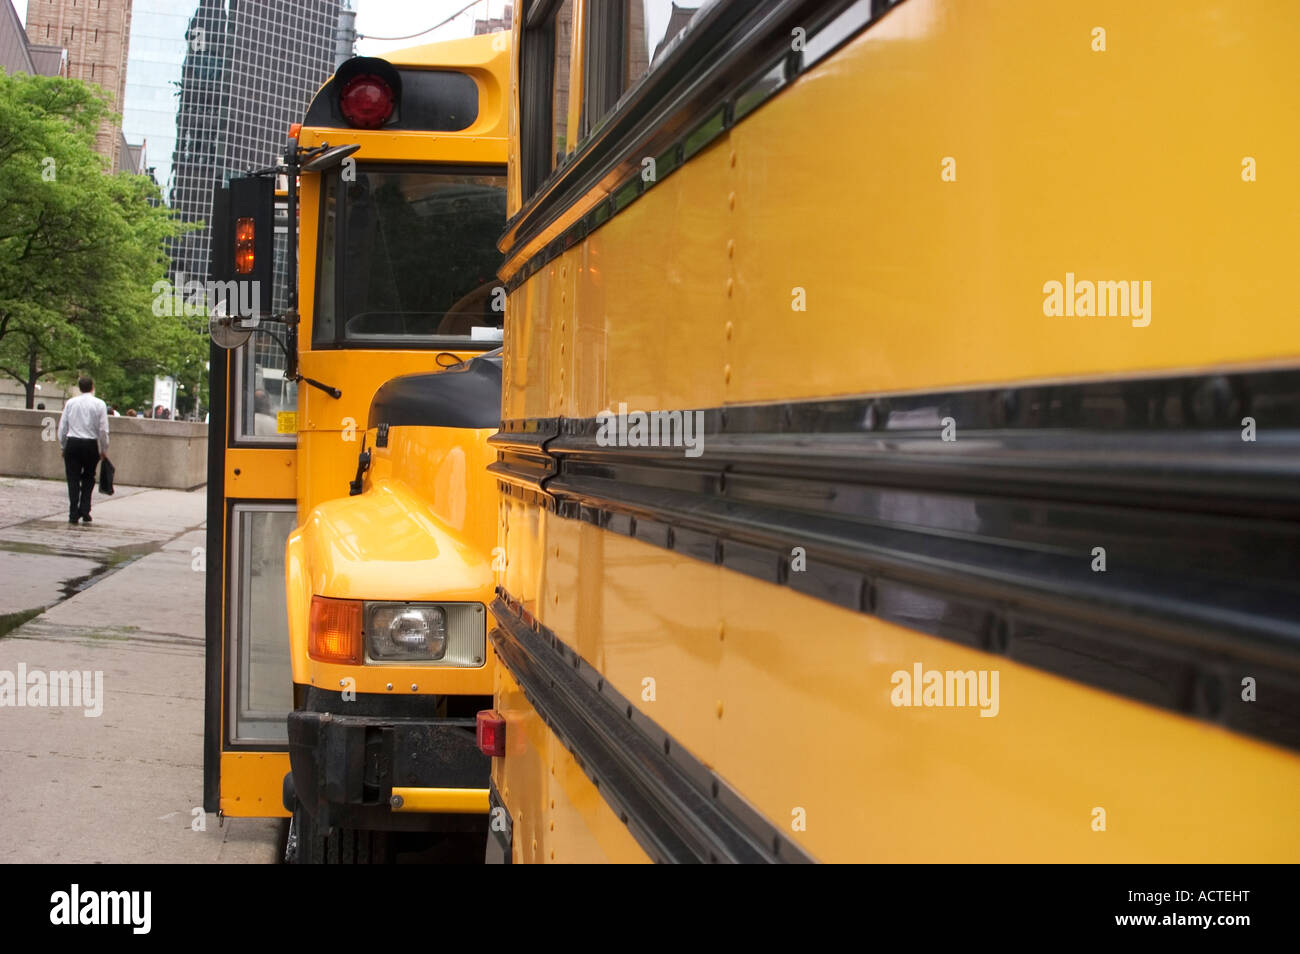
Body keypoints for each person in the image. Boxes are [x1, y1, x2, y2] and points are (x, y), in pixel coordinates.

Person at [57, 376, 109, 525]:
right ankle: (85, 509)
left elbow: (63, 427)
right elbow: (103, 429)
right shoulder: (100, 404)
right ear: (92, 386)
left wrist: (63, 446)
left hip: (73, 443)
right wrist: (104, 448)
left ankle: (73, 512)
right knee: (88, 477)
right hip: (90, 444)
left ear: (80, 387)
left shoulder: (71, 403)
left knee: (72, 478)